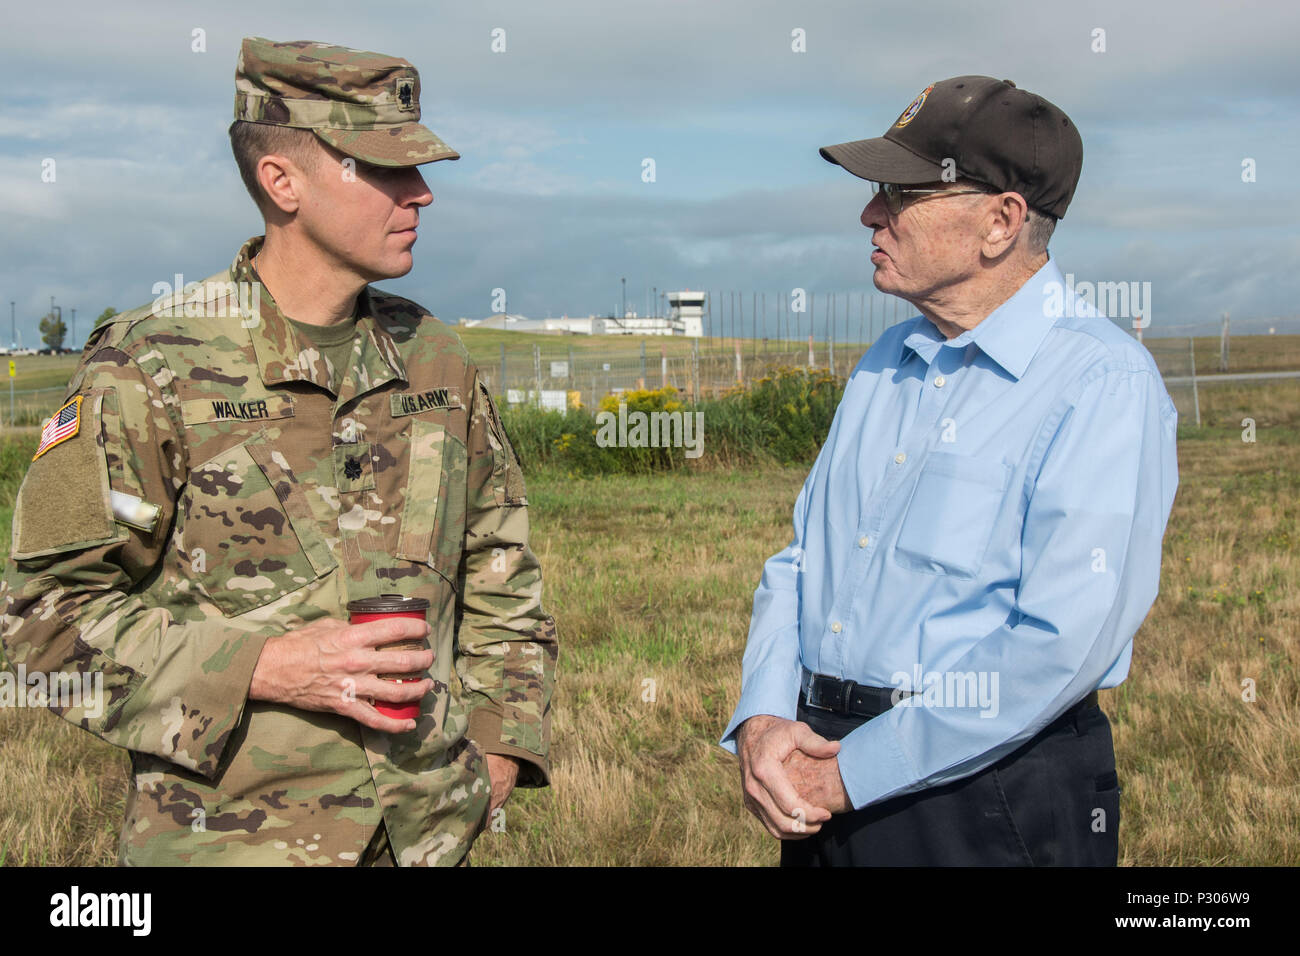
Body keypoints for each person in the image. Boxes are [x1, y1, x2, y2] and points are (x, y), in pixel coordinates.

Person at [0, 36, 558, 867]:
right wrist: (262, 666)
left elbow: (499, 569)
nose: (422, 194)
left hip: (427, 842)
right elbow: (37, 629)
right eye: (385, 170)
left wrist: (500, 753)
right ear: (282, 181)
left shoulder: (435, 358)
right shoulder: (148, 367)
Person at [719, 76, 1178, 866]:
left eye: (899, 192)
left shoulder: (1103, 382)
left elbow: (1060, 643)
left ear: (1002, 221)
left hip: (988, 800)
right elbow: (801, 559)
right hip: (819, 774)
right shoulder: (886, 362)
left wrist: (856, 773)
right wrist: (764, 718)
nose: (870, 214)